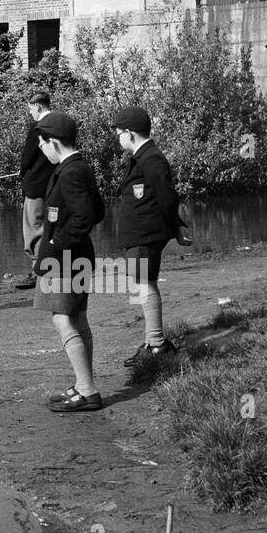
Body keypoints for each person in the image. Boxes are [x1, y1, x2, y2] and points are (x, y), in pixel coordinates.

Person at [33, 111, 105, 412]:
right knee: (76, 318)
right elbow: (98, 210)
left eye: (41, 142)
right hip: (73, 255)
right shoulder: (77, 167)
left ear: (54, 142)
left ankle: (87, 392)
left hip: (67, 258)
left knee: (64, 319)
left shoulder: (71, 171)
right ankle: (83, 386)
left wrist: (55, 242)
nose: (40, 147)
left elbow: (85, 216)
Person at [112, 105, 182, 366]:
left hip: (146, 233)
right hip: (141, 233)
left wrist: (176, 228)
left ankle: (157, 344)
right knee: (142, 283)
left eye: (119, 134)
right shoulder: (143, 156)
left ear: (129, 133)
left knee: (143, 284)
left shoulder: (151, 158)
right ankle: (152, 342)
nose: (118, 139)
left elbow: (167, 197)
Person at [12, 91, 54, 290]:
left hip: (36, 186)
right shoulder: (59, 124)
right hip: (54, 186)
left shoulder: (38, 128)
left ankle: (38, 272)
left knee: (33, 227)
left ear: (37, 106)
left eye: (30, 108)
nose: (30, 112)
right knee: (50, 226)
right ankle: (50, 268)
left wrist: (22, 172)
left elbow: (27, 157)